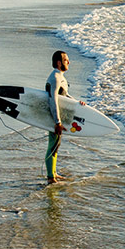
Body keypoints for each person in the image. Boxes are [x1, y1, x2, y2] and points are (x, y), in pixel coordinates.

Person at [45, 51, 85, 184]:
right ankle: (51, 177)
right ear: (59, 62)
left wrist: (77, 103)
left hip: (58, 117)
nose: (69, 62)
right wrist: (57, 121)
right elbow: (53, 100)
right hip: (54, 117)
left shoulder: (60, 77)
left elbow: (64, 96)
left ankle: (54, 173)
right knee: (53, 145)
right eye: (66, 60)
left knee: (56, 144)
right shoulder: (55, 78)